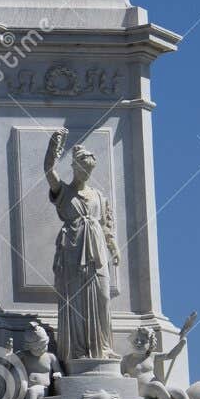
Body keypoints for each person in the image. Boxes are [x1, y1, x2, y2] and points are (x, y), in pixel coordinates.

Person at [44, 128, 120, 362]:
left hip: (96, 247)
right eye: (83, 168)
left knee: (102, 296)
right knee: (75, 297)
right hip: (73, 247)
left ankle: (102, 347)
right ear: (75, 167)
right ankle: (78, 350)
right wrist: (53, 148)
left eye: (90, 170)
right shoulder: (64, 191)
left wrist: (113, 246)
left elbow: (107, 225)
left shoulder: (98, 195)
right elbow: (48, 171)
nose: (87, 173)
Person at [12, 321, 61, 399]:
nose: (40, 349)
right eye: (37, 348)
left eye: (43, 346)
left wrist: (58, 374)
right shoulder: (25, 355)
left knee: (33, 391)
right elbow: (11, 362)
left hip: (42, 389)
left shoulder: (50, 357)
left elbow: (59, 371)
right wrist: (8, 354)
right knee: (15, 374)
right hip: (23, 387)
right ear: (29, 347)